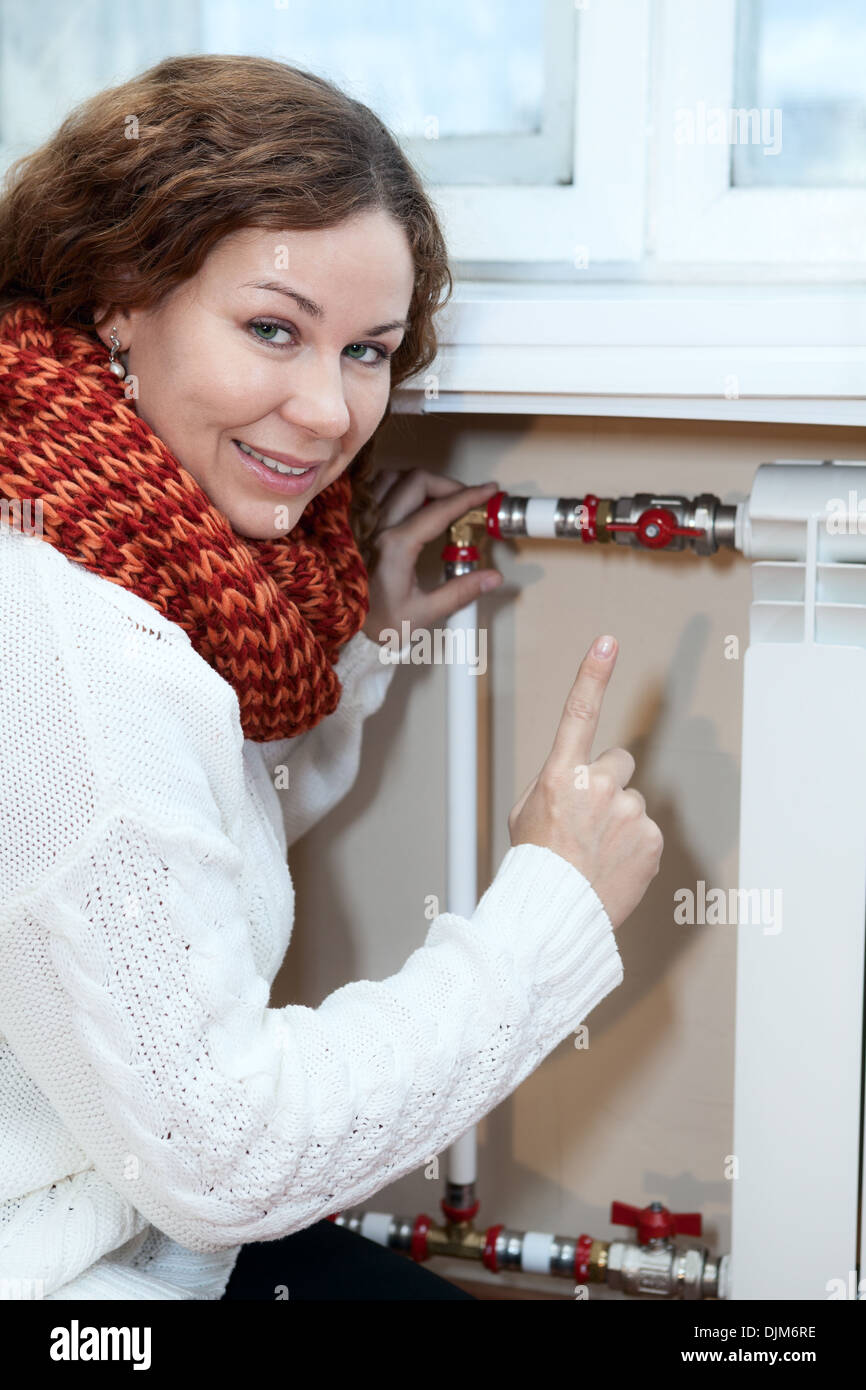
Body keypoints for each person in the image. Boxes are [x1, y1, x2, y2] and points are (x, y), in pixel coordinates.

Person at [0, 53, 662, 1302]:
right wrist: (551, 908)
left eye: (366, 350)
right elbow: (227, 1154)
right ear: (115, 299)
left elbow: (156, 861)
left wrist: (354, 657)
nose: (325, 411)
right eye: (271, 330)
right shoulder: (72, 648)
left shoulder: (84, 523)